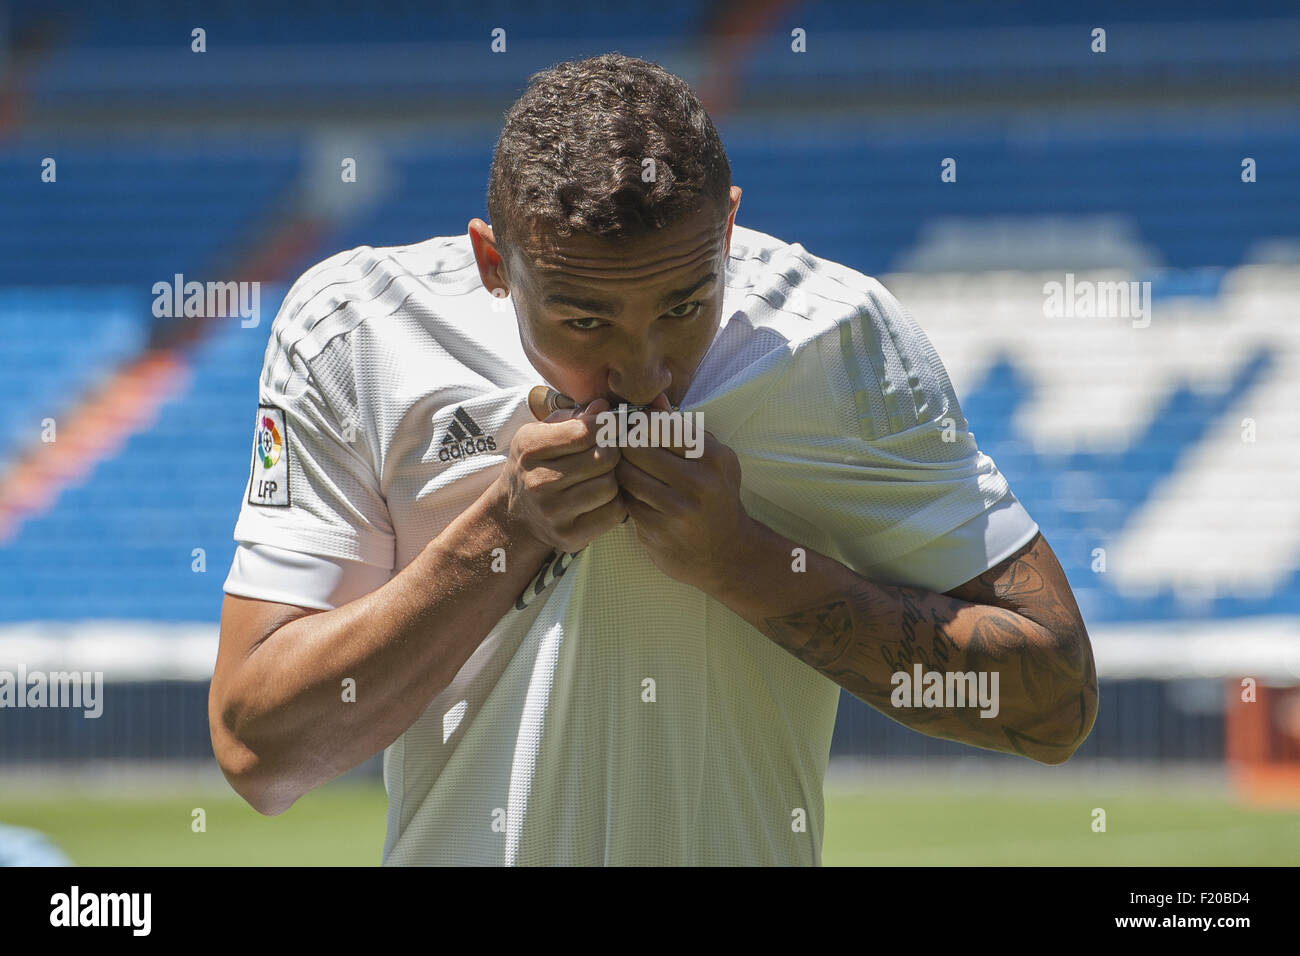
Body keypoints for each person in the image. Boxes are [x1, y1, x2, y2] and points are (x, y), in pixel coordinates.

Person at [211, 52, 1097, 866]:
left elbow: (1054, 701)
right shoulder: (358, 333)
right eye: (584, 321)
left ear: (728, 232)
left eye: (683, 308)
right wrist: (506, 529)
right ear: (492, 262)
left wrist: (744, 562)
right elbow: (260, 753)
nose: (644, 377)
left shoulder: (840, 341)